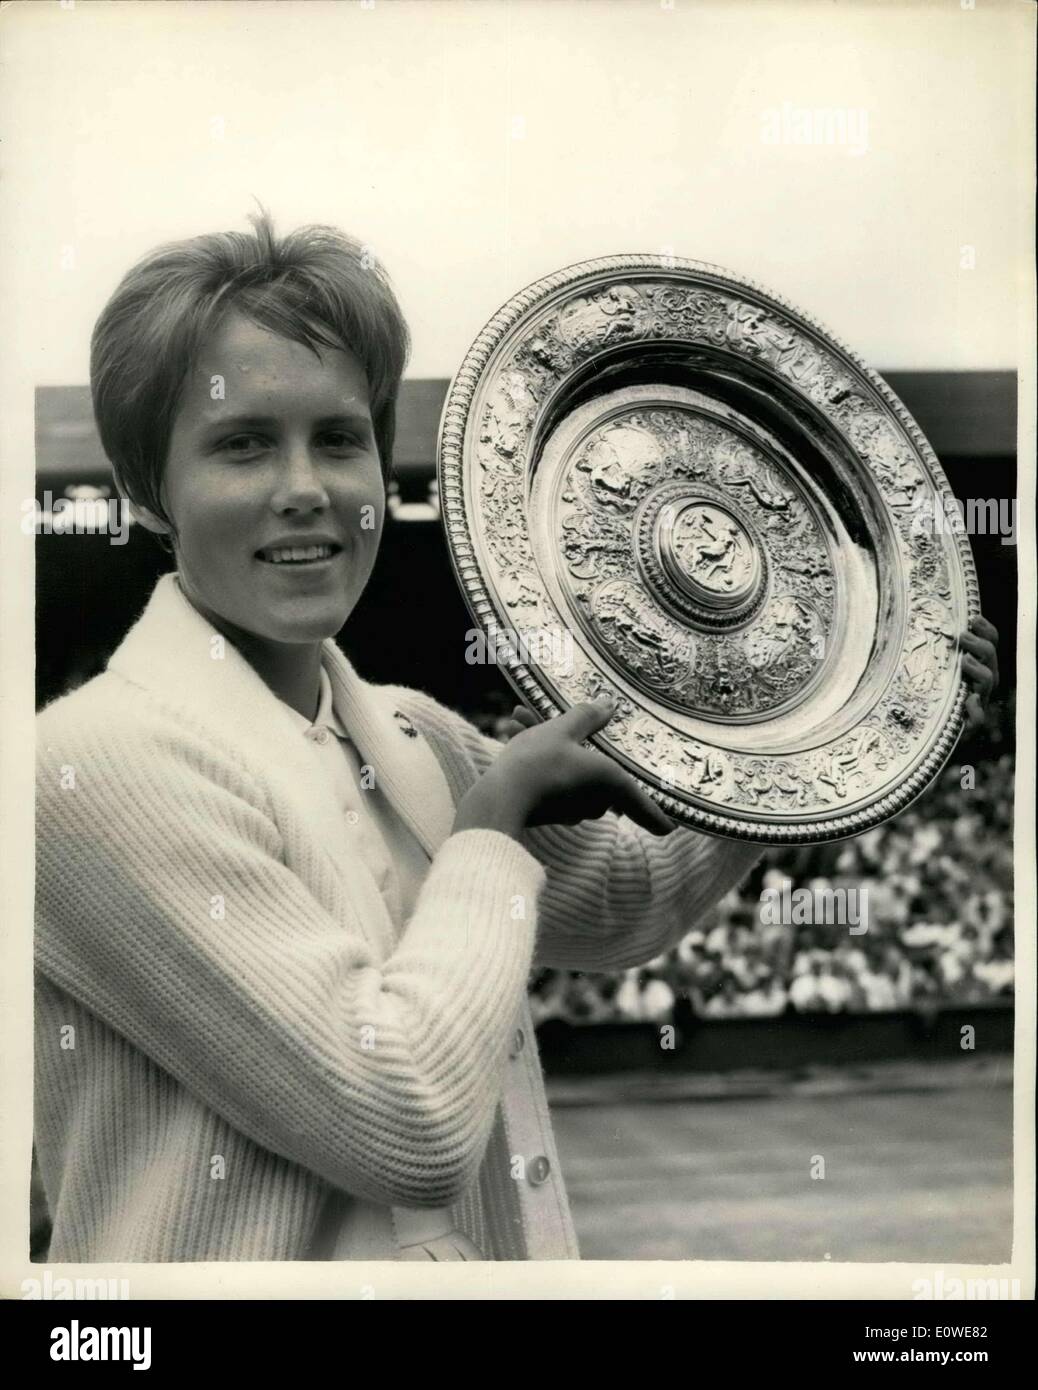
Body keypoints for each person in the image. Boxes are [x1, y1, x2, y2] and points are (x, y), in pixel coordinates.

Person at [32, 214, 999, 1264]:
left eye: (340, 437)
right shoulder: (90, 768)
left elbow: (627, 899)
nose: (307, 486)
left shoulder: (412, 732)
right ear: (144, 495)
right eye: (243, 442)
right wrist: (492, 825)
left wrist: (833, 738)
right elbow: (404, 1119)